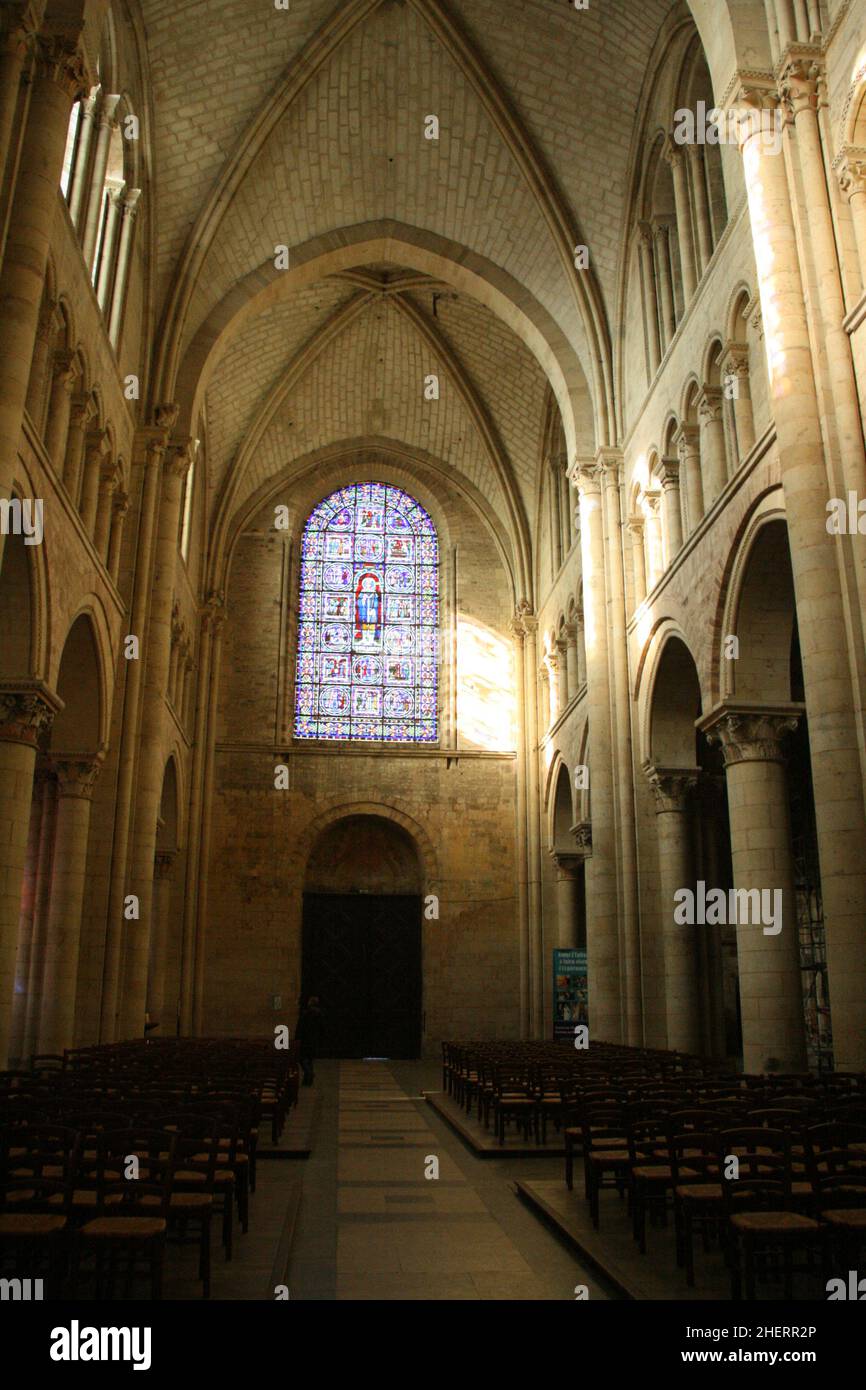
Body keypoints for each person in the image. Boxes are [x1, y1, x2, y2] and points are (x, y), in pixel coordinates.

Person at [296, 995, 323, 1086]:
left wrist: (297, 1038)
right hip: (314, 1040)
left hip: (305, 1039)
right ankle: (307, 1080)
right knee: (310, 1060)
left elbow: (300, 1028)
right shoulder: (319, 1015)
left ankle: (309, 1074)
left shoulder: (306, 1014)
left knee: (302, 1059)